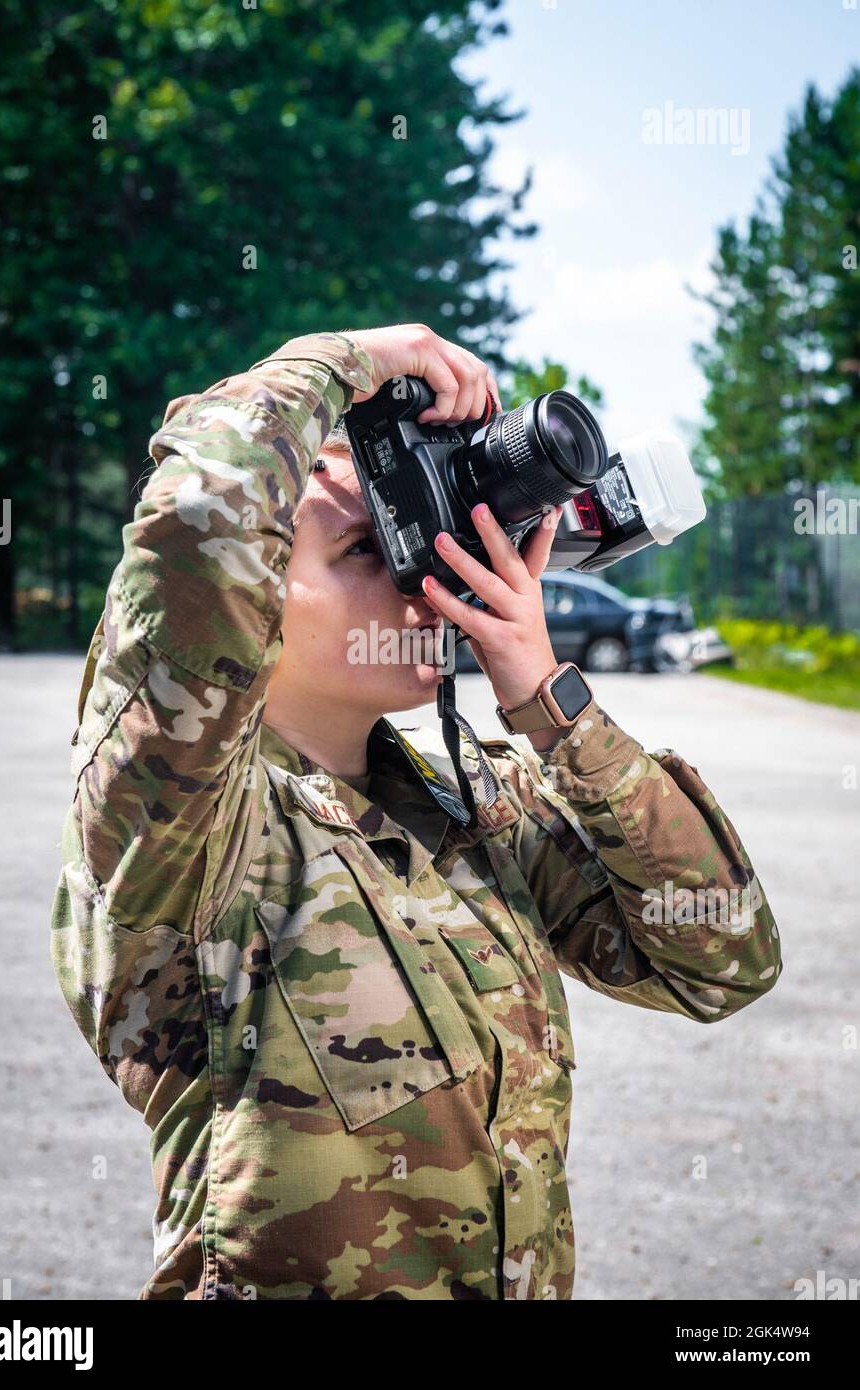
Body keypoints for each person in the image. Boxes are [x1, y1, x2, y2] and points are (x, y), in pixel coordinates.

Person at [50, 324, 781, 1301]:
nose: (420, 575)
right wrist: (356, 356)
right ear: (251, 588)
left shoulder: (478, 807)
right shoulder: (184, 832)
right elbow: (199, 502)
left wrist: (551, 704)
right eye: (367, 545)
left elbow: (724, 959)